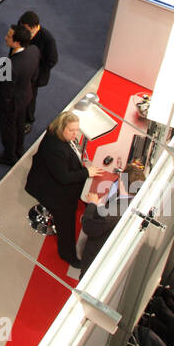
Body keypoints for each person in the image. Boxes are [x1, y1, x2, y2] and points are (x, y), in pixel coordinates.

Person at [24, 111, 111, 268]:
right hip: (52, 192)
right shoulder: (55, 148)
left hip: (52, 181)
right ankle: (68, 255)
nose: (75, 134)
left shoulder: (59, 137)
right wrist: (86, 172)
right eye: (71, 130)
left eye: (76, 129)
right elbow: (63, 177)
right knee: (66, 224)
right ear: (61, 128)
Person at [0, 24, 39, 167]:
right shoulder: (34, 51)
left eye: (9, 36)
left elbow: (5, 92)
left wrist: (2, 105)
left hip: (11, 104)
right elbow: (34, 75)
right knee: (19, 124)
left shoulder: (8, 65)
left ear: (17, 43)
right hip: (25, 97)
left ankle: (9, 156)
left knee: (8, 130)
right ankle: (19, 149)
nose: (5, 37)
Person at [18, 10, 58, 134]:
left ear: (35, 27)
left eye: (26, 29)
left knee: (30, 98)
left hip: (34, 76)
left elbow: (52, 60)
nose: (22, 32)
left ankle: (28, 121)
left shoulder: (47, 39)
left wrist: (36, 74)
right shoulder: (22, 29)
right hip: (20, 69)